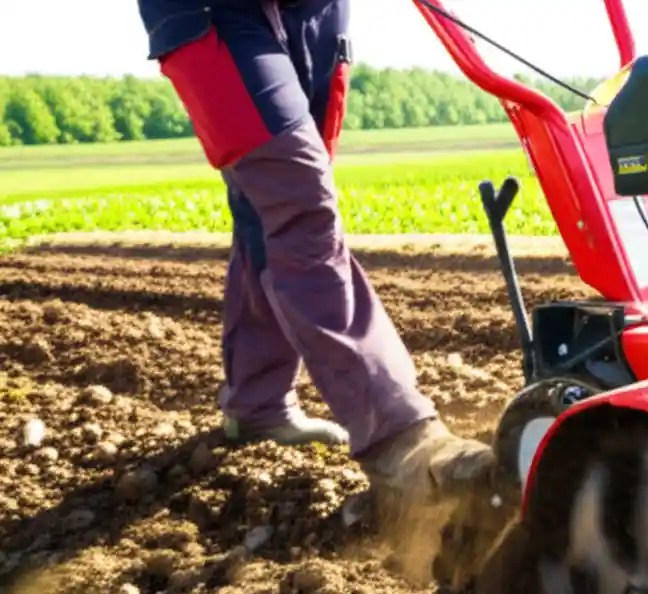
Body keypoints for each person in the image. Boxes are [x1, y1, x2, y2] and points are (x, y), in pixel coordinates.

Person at [135, 0, 495, 506]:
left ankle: (257, 404)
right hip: (214, 13)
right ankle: (400, 437)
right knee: (299, 197)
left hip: (314, 17)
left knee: (265, 208)